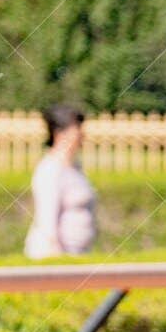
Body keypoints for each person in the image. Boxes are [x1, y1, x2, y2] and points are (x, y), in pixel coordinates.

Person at [25, 105, 96, 257]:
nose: (82, 134)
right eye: (77, 128)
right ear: (59, 134)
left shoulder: (75, 167)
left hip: (78, 253)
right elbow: (47, 219)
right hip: (55, 253)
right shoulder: (50, 170)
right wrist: (57, 257)